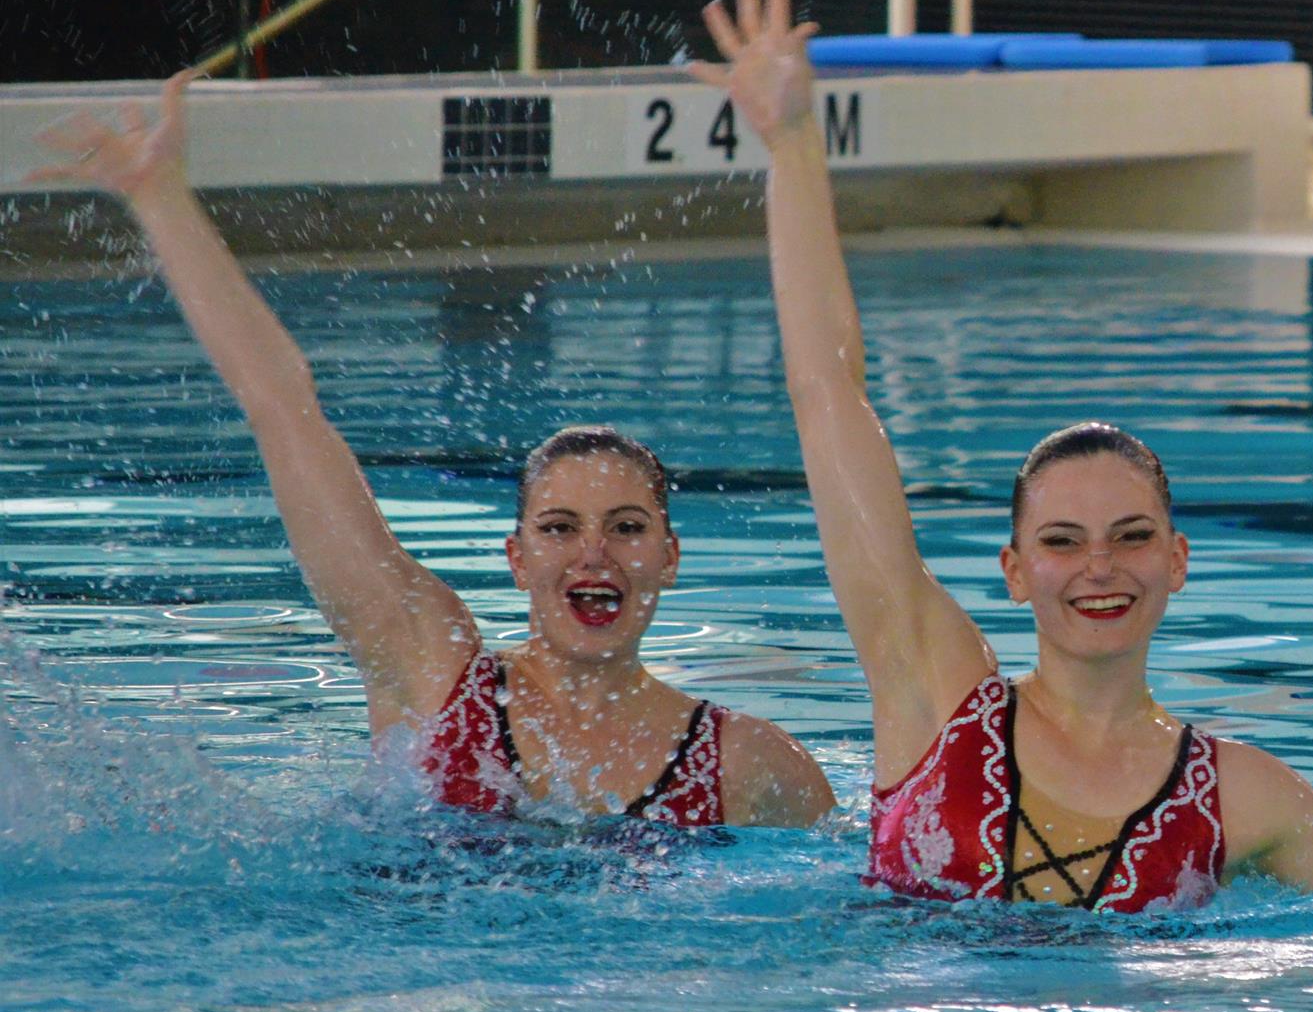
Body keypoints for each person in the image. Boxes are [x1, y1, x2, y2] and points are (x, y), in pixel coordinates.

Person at [687, 0, 1313, 911]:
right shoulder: (935, 697)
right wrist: (794, 141)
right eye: (1062, 541)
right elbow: (825, 389)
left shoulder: (1250, 799)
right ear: (1013, 571)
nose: (1101, 568)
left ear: (1177, 560)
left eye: (1131, 536)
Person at [27, 73, 833, 830]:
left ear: (670, 558)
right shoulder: (432, 672)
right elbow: (284, 411)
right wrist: (161, 199)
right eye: (559, 528)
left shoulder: (748, 764)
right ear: (517, 559)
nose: (594, 555)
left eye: (626, 528)